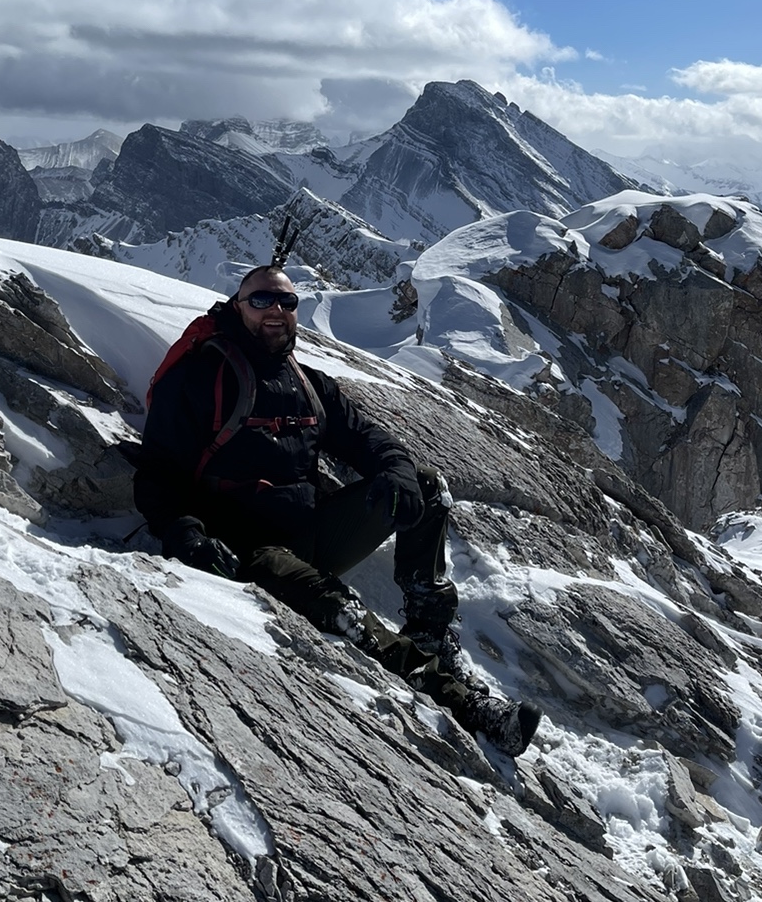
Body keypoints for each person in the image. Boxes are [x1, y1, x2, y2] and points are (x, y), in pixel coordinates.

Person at [133, 265, 540, 756]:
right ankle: (468, 707)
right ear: (237, 307)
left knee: (426, 488)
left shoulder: (307, 383)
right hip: (248, 551)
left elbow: (367, 437)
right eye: (261, 301)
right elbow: (157, 471)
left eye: (287, 302)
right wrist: (186, 534)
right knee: (345, 617)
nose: (276, 312)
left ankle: (430, 632)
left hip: (312, 531)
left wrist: (394, 469)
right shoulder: (203, 377)